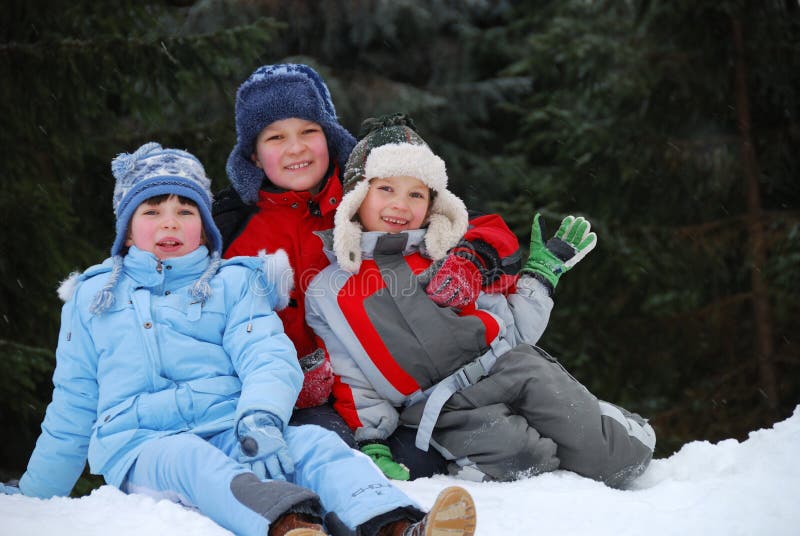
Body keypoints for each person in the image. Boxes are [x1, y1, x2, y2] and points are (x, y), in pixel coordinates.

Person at [0, 142, 478, 536]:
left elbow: (267, 357)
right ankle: (288, 526)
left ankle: (396, 526)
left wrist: (262, 418)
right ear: (127, 231)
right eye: (152, 210)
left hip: (236, 427)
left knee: (316, 444)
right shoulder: (93, 299)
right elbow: (73, 406)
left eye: (185, 210)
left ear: (205, 230)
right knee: (191, 459)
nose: (170, 222)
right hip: (143, 445)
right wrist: (36, 497)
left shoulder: (232, 283)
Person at [305, 114, 657, 488]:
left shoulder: (449, 253)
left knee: (621, 462)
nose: (401, 205)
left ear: (431, 203)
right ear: (357, 197)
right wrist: (372, 439)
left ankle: (607, 423)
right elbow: (349, 374)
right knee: (526, 464)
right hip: (442, 409)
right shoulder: (329, 292)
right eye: (386, 189)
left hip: (511, 368)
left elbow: (513, 327)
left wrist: (539, 276)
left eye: (416, 194)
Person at [214, 64, 521, 479]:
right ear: (253, 154)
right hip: (320, 398)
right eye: (275, 137)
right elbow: (222, 321)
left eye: (308, 131)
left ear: (329, 136)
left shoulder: (370, 187)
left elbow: (468, 220)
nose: (295, 148)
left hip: (415, 379)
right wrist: (293, 369)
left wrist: (473, 256)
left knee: (428, 461)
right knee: (344, 463)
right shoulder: (236, 229)